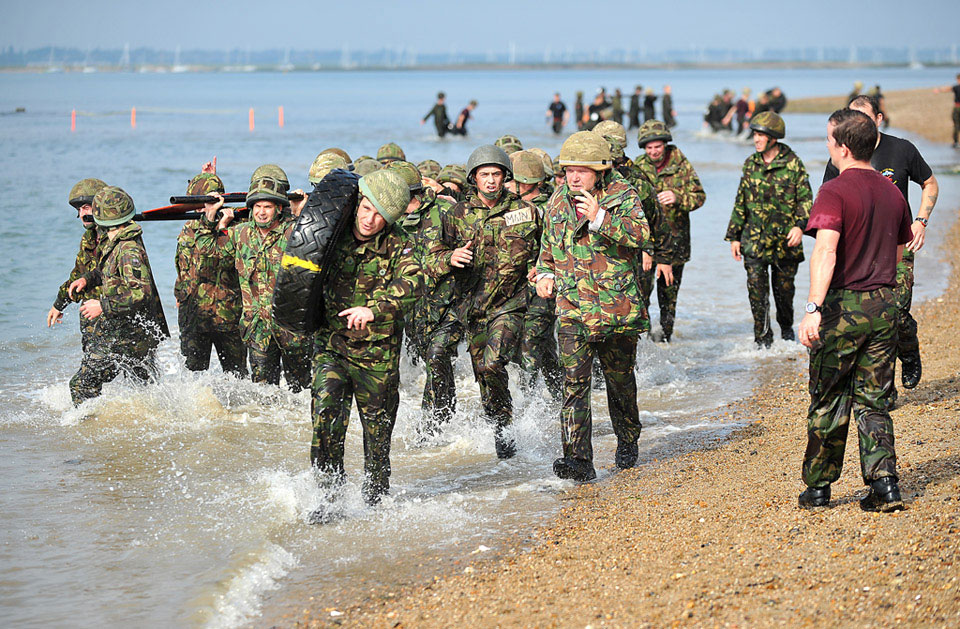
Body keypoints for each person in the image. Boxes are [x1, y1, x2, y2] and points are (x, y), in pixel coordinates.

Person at [797, 108, 913, 512]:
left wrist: (812, 308)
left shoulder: (834, 191)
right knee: (874, 399)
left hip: (843, 306)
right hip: (885, 304)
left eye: (830, 141)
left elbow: (825, 251)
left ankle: (818, 489)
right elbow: (898, 252)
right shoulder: (892, 190)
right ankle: (885, 486)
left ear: (843, 148)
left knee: (828, 396)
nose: (827, 147)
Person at [536, 131, 650, 482]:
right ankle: (579, 461)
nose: (573, 177)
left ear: (600, 170)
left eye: (582, 171)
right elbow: (547, 247)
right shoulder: (557, 201)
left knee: (619, 382)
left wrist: (601, 217)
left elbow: (642, 237)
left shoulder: (623, 194)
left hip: (615, 308)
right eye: (569, 170)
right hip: (572, 307)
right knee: (574, 384)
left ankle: (628, 438)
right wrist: (543, 272)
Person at [307, 169, 420, 513]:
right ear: (357, 203)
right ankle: (328, 499)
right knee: (325, 418)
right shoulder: (331, 234)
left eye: (380, 215)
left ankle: (375, 503)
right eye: (366, 209)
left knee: (377, 439)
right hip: (332, 348)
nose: (370, 220)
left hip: (377, 357)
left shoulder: (400, 244)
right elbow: (295, 264)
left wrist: (374, 309)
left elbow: (413, 284)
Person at [428, 145, 541, 459]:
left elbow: (546, 251)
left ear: (505, 176)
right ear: (473, 178)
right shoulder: (456, 214)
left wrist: (539, 270)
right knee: (484, 375)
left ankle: (506, 436)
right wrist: (449, 257)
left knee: (493, 363)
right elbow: (431, 257)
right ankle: (501, 427)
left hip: (511, 303)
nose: (491, 181)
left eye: (496, 174)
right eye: (484, 175)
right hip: (472, 307)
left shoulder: (526, 211)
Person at [822, 95, 938, 389]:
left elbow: (930, 183)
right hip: (858, 251)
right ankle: (881, 388)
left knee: (896, 312)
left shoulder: (901, 149)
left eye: (863, 118)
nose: (857, 124)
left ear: (878, 119)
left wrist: (921, 222)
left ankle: (909, 351)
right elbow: (829, 203)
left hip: (898, 244)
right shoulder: (841, 157)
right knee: (867, 317)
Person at [196, 170, 311, 391]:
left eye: (267, 207)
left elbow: (315, 247)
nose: (261, 212)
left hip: (292, 329)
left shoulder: (293, 231)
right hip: (258, 329)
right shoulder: (241, 234)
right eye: (257, 207)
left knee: (302, 391)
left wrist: (299, 215)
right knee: (263, 394)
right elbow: (208, 250)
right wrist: (210, 216)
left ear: (279, 208)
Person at [66, 186, 169, 405]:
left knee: (81, 386)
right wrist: (87, 279)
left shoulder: (127, 248)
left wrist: (102, 306)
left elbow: (141, 293)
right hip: (133, 332)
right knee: (145, 388)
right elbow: (106, 272)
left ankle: (85, 432)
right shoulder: (114, 241)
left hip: (124, 335)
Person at [385, 161, 460, 436]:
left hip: (450, 304)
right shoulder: (386, 220)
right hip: (411, 310)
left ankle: (430, 428)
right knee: (434, 365)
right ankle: (447, 418)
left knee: (437, 355)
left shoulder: (446, 210)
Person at [725, 111, 812, 347]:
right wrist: (734, 236)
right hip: (753, 241)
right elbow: (741, 200)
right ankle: (762, 342)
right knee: (757, 294)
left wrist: (799, 226)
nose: (756, 139)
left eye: (760, 135)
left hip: (786, 243)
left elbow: (806, 199)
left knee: (784, 295)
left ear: (773, 137)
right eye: (754, 134)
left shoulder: (793, 163)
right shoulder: (750, 164)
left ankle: (786, 335)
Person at [634, 120, 706, 342]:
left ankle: (666, 338)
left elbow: (699, 196)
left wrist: (678, 198)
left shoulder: (681, 163)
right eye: (649, 148)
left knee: (668, 296)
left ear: (665, 144)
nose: (654, 151)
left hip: (675, 242)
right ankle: (642, 341)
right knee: (640, 294)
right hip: (645, 242)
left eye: (657, 146)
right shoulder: (637, 166)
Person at [174, 171, 247, 377]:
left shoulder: (236, 227)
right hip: (194, 315)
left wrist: (218, 222)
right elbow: (182, 265)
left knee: (237, 376)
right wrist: (180, 294)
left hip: (227, 316)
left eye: (205, 203)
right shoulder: (190, 227)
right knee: (193, 378)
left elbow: (219, 259)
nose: (201, 208)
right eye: (198, 203)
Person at [508, 150, 562, 399]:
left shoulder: (550, 207)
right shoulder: (511, 206)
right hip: (517, 289)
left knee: (530, 343)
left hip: (542, 287)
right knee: (545, 346)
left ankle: (526, 413)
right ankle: (561, 397)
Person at [48, 178, 108, 353]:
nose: (82, 214)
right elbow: (78, 277)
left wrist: (104, 306)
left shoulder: (118, 237)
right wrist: (59, 304)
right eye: (79, 209)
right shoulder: (89, 237)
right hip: (95, 323)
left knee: (142, 377)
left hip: (119, 317)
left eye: (86, 208)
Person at [933, 73, 960, 148]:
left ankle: (956, 142)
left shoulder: (956, 87)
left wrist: (939, 90)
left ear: (958, 79)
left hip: (957, 107)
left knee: (956, 125)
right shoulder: (956, 87)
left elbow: (948, 89)